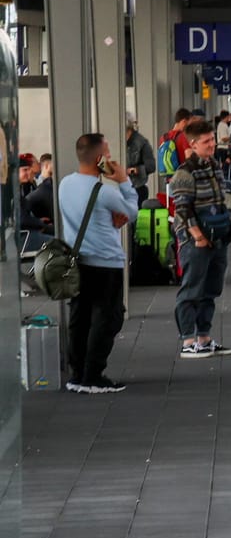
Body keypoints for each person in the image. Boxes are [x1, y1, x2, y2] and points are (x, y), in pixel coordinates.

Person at [59, 133, 139, 393]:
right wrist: (124, 181)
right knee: (108, 318)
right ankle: (94, 375)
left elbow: (89, 215)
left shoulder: (65, 184)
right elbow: (132, 212)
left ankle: (77, 373)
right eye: (106, 152)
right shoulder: (104, 191)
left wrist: (109, 217)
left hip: (77, 261)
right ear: (98, 159)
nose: (110, 157)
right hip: (106, 263)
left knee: (80, 316)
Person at [168, 121, 231, 359]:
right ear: (193, 144)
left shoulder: (214, 165)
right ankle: (188, 340)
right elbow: (183, 209)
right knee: (192, 288)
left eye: (213, 139)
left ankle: (204, 338)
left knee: (211, 289)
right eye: (207, 141)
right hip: (195, 240)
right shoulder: (184, 173)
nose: (212, 144)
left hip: (217, 237)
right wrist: (197, 236)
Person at [123, 115, 155, 204]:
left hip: (137, 188)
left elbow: (151, 166)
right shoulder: (118, 142)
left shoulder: (142, 142)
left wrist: (132, 170)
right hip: (121, 188)